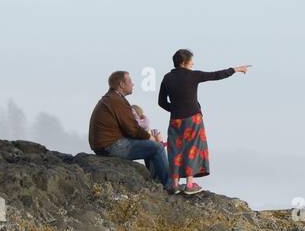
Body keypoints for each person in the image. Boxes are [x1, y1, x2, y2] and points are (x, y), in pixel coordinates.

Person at [158, 48, 251, 195]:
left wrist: (176, 109)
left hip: (175, 119)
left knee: (174, 150)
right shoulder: (192, 75)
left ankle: (174, 184)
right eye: (191, 61)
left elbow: (161, 102)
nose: (193, 63)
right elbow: (215, 75)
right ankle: (189, 184)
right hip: (192, 118)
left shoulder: (167, 78)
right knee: (192, 148)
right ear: (184, 62)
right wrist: (236, 69)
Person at [88, 71, 170, 187]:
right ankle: (168, 185)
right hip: (111, 146)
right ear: (121, 84)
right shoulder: (116, 100)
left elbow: (130, 128)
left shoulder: (112, 98)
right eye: (130, 81)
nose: (133, 84)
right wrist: (149, 137)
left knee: (151, 148)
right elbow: (132, 129)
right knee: (158, 148)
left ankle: (157, 183)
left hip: (104, 145)